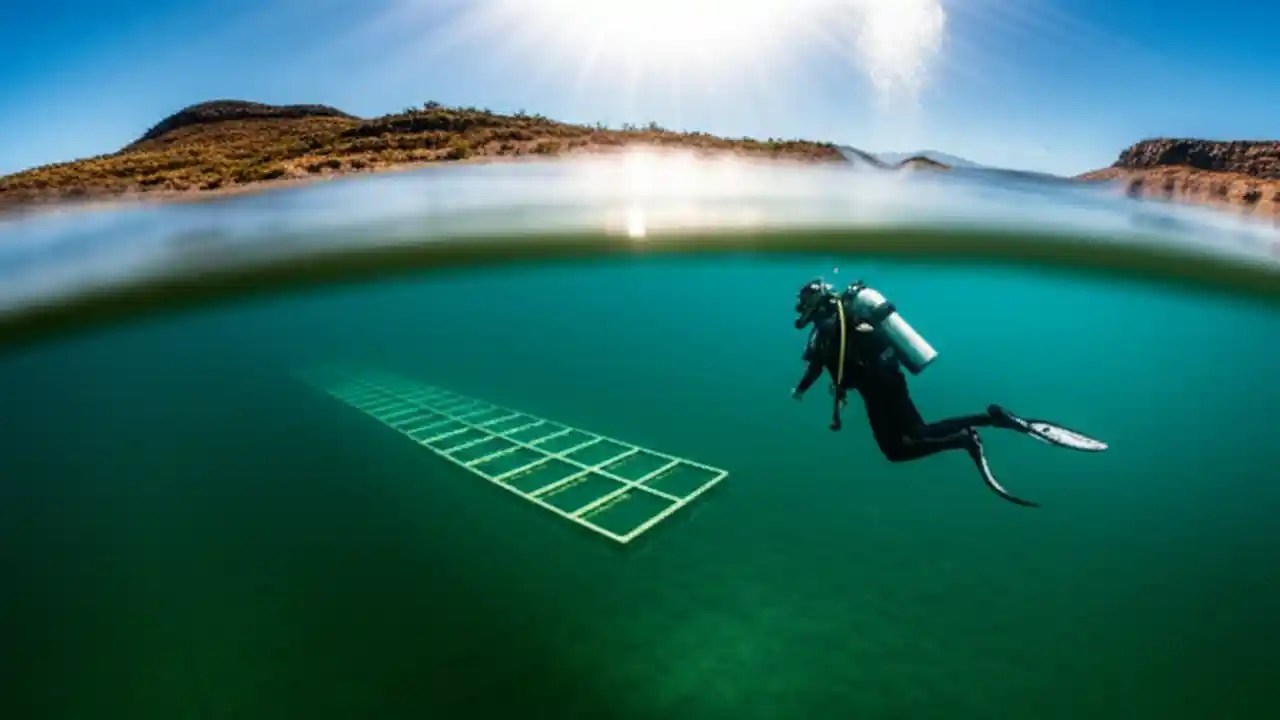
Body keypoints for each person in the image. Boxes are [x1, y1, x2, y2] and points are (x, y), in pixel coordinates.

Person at [790, 278, 1105, 507]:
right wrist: (802, 389)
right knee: (915, 435)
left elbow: (819, 365)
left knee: (897, 449)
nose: (803, 311)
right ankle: (988, 422)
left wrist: (803, 389)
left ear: (814, 305)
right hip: (886, 385)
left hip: (882, 388)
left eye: (804, 305)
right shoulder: (832, 330)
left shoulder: (835, 328)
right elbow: (818, 367)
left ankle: (967, 438)